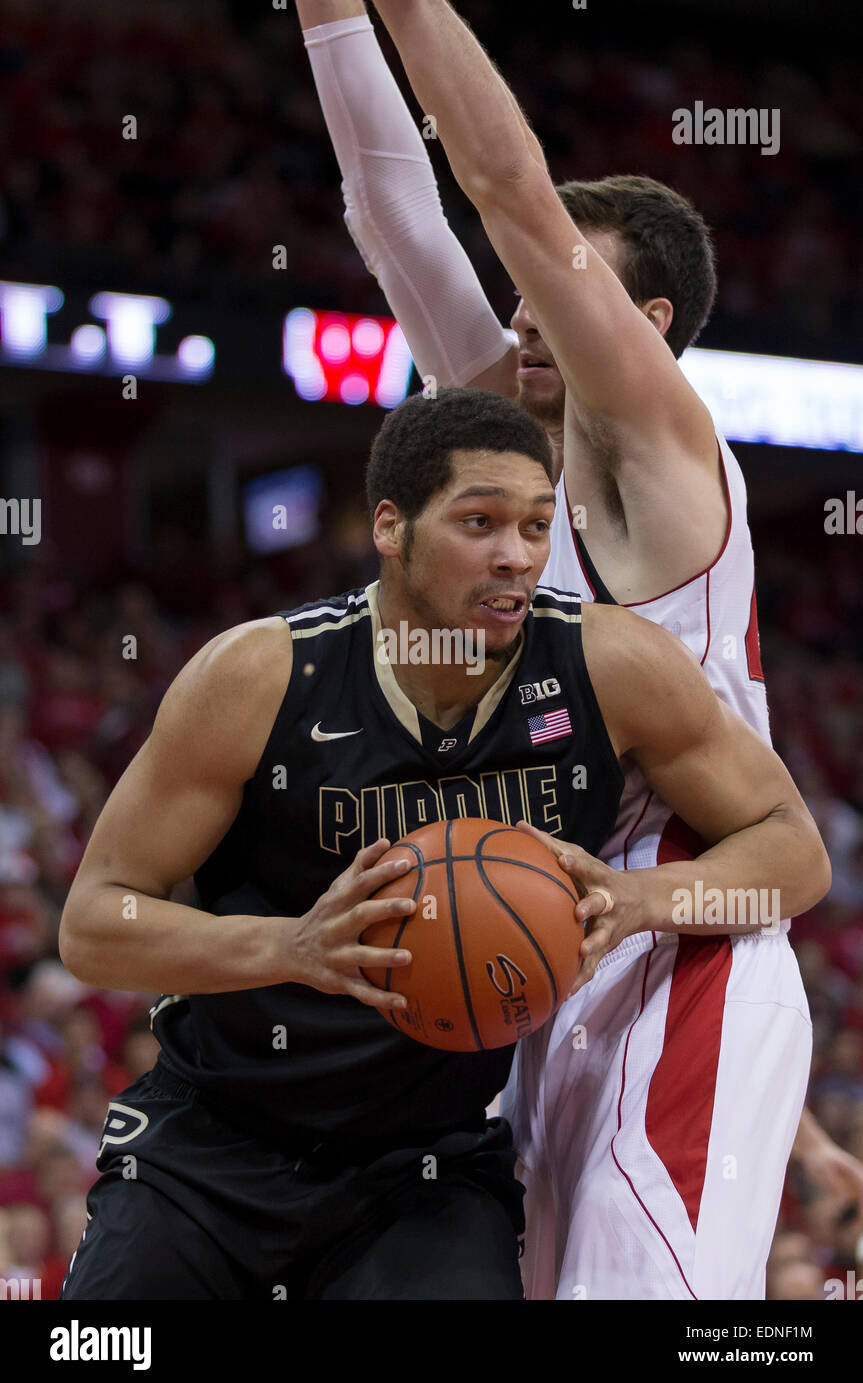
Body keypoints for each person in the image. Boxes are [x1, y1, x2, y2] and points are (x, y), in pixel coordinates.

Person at [298, 0, 853, 1298]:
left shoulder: (658, 449)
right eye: (520, 298)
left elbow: (500, 185)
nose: (521, 313)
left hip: (688, 936)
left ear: (644, 321)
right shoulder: (514, 439)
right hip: (545, 961)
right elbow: (391, 215)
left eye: (555, 289)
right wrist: (328, 14)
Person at [58, 388, 829, 1301]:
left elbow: (793, 852)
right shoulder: (261, 677)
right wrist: (289, 947)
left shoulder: (606, 665)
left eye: (538, 526)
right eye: (479, 522)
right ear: (391, 527)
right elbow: (95, 924)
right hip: (214, 1143)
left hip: (422, 1169)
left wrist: (640, 900)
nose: (515, 555)